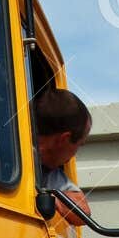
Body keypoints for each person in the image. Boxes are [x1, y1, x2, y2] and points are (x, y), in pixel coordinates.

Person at [33, 86, 93, 224]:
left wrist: (53, 198)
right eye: (79, 145)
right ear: (64, 139)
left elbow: (83, 212)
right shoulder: (1, 152)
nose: (75, 155)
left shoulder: (49, 173)